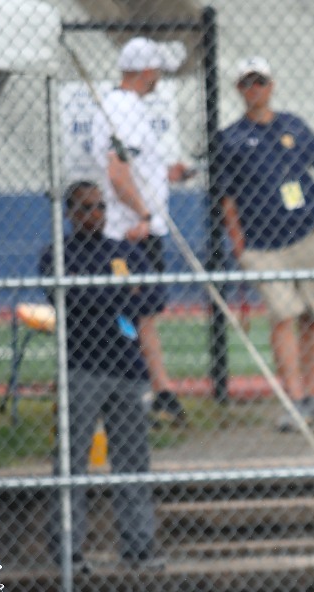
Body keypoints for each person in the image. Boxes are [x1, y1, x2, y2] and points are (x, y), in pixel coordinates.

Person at [40, 181, 162, 571]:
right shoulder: (57, 255)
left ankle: (139, 548)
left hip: (127, 370)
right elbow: (72, 299)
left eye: (100, 208)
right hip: (82, 370)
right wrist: (124, 294)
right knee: (72, 463)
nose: (95, 215)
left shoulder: (123, 252)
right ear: (71, 213)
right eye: (86, 208)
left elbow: (157, 298)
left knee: (132, 462)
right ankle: (68, 552)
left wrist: (109, 295)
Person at [218, 56, 314, 431]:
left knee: (311, 315)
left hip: (305, 235)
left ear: (271, 86)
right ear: (239, 90)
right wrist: (238, 243)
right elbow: (226, 197)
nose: (254, 89)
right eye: (247, 83)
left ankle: (313, 394)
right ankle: (294, 399)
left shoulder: (294, 127)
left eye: (260, 82)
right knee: (282, 315)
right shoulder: (231, 139)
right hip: (261, 244)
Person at [91, 36, 191, 427]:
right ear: (146, 70)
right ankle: (138, 391)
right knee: (133, 313)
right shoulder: (123, 107)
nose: (159, 78)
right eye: (157, 71)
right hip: (131, 231)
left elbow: (131, 167)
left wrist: (167, 175)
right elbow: (117, 172)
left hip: (135, 225)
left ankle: (159, 389)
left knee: (143, 313)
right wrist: (144, 214)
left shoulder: (121, 106)